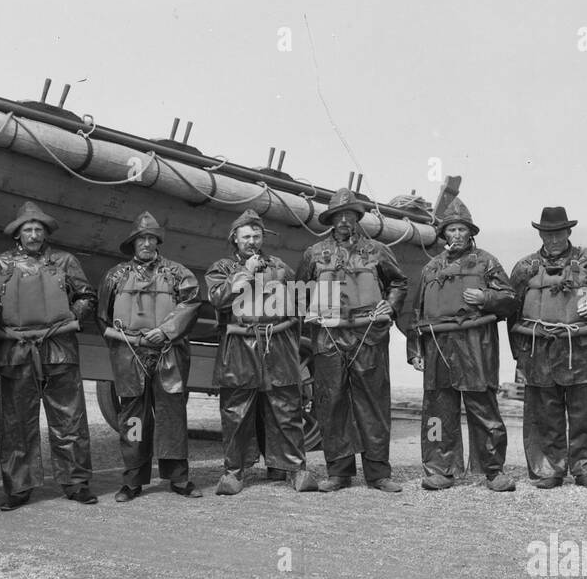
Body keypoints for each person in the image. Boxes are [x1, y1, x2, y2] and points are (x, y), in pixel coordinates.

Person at [296, 187, 408, 492]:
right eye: (339, 216)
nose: (344, 220)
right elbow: (301, 288)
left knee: (373, 403)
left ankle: (378, 473)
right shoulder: (314, 254)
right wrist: (308, 311)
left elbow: (397, 281)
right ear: (331, 220)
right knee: (331, 403)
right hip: (328, 337)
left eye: (350, 215)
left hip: (368, 335)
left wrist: (392, 304)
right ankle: (339, 472)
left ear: (357, 218)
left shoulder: (377, 250)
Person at [0, 202, 98, 510]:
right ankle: (19, 487)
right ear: (17, 234)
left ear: (45, 233)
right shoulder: (0, 265)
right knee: (16, 423)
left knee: (70, 419)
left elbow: (87, 295)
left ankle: (76, 483)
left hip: (59, 349)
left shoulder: (65, 261)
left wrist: (69, 317)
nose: (34, 235)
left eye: (39, 230)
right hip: (16, 351)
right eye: (28, 230)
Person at [205, 209, 320, 495]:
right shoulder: (221, 268)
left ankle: (294, 469)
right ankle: (234, 472)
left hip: (276, 345)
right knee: (236, 412)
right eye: (246, 236)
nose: (252, 241)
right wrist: (246, 273)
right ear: (235, 238)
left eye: (256, 235)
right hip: (239, 347)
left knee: (286, 409)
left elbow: (298, 305)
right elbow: (218, 301)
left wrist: (292, 330)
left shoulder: (280, 267)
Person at [407, 198, 519, 492]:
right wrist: (414, 350)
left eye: (461, 229)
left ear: (470, 233)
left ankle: (494, 471)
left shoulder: (487, 262)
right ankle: (439, 470)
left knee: (483, 407)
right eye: (451, 230)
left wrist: (486, 298)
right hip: (437, 347)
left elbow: (510, 300)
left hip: (475, 345)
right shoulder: (430, 268)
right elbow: (416, 314)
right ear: (444, 235)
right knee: (437, 412)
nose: (456, 235)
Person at [98, 211, 203, 502]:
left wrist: (166, 332)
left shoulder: (178, 273)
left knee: (172, 415)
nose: (146, 243)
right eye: (141, 238)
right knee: (133, 419)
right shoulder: (114, 276)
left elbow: (192, 303)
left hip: (168, 353)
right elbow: (102, 318)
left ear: (158, 242)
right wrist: (127, 342)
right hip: (129, 355)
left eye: (151, 238)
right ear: (132, 243)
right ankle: (133, 480)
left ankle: (179, 478)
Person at [509, 206, 587, 489]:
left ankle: (586, 467)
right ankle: (549, 469)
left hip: (580, 345)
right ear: (540, 234)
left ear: (568, 232)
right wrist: (518, 353)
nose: (554, 239)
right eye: (548, 233)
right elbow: (513, 310)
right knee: (544, 410)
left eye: (558, 233)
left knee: (585, 409)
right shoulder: (524, 267)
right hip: (539, 347)